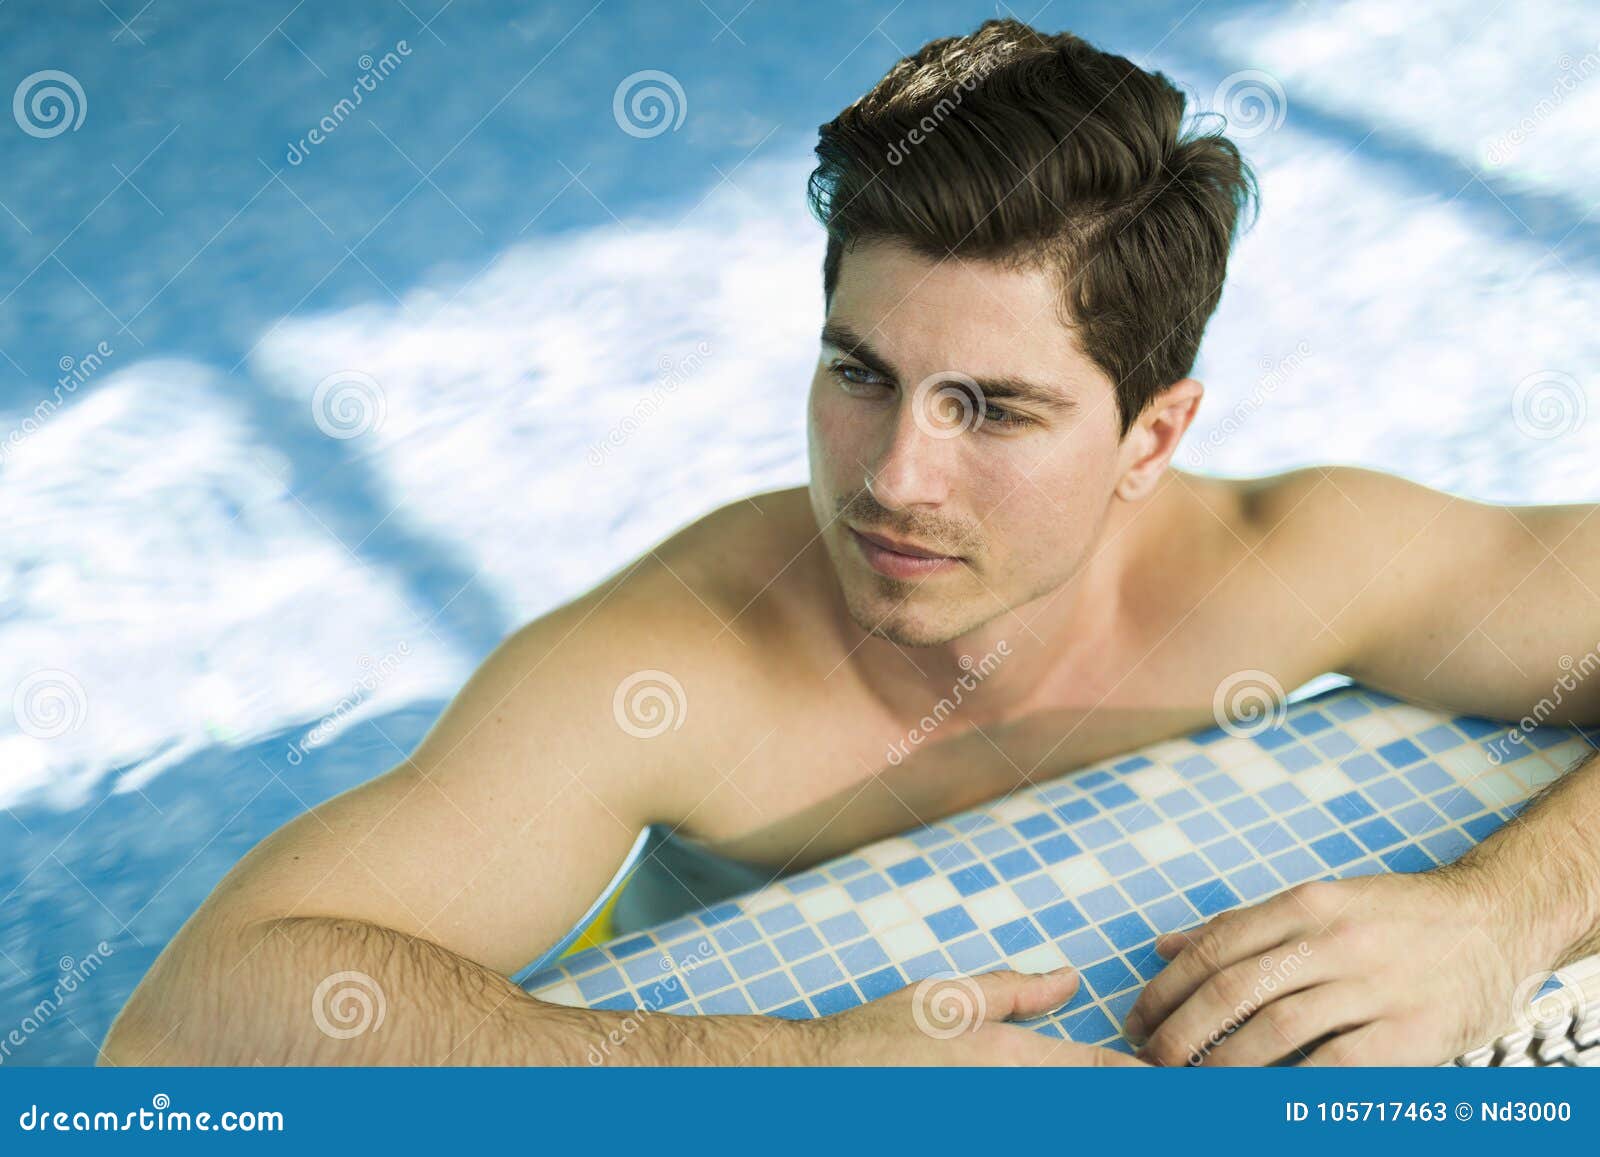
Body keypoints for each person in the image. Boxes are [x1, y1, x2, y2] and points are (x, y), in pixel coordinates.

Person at [102, 17, 1600, 1067]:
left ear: (1151, 438)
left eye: (992, 409)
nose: (894, 479)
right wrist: (795, 1072)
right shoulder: (671, 668)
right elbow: (184, 1030)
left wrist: (1493, 920)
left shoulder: (1299, 563)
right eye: (861, 373)